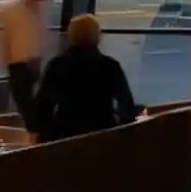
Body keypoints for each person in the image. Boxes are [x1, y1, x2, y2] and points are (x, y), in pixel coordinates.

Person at [33, 14, 138, 143]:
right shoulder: (110, 66)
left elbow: (43, 107)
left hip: (66, 134)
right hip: (103, 132)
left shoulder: (57, 66)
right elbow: (126, 104)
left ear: (71, 36)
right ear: (98, 36)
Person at [0, 0, 52, 132]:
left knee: (33, 105)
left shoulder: (41, 10)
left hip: (35, 63)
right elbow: (5, 39)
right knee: (27, 106)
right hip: (20, 64)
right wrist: (9, 64)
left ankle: (37, 135)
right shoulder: (12, 10)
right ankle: (36, 136)